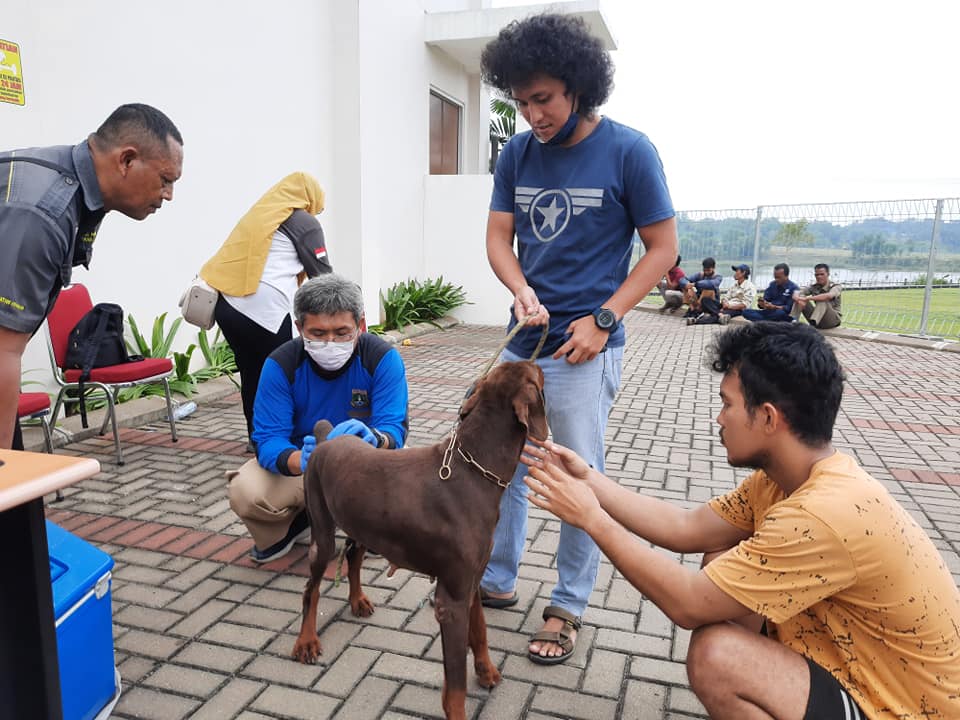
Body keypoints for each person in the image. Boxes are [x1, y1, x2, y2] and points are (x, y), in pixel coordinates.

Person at [522, 322, 960, 719]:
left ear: (768, 417)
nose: (719, 418)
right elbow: (686, 528)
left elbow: (688, 604)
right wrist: (590, 479)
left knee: (719, 656)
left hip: (897, 706)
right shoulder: (785, 479)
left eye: (727, 404)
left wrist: (591, 518)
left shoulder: (821, 514)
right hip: (853, 670)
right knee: (719, 557)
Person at [480, 12, 678, 664]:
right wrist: (519, 288)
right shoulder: (517, 153)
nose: (532, 114)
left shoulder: (629, 152)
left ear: (578, 87)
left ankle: (567, 604)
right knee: (504, 462)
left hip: (584, 348)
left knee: (574, 472)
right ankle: (497, 577)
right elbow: (499, 239)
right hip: (524, 340)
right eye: (521, 101)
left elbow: (662, 249)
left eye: (543, 99)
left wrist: (605, 319)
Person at [0, 103, 183, 451]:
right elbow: (2, 350)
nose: (169, 195)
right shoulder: (42, 214)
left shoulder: (80, 194)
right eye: (165, 180)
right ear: (126, 160)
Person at [226, 273, 408, 564]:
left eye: (342, 332)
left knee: (409, 474)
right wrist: (301, 459)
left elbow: (393, 428)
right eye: (318, 333)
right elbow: (268, 439)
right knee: (245, 490)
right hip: (303, 470)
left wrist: (375, 438)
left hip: (366, 463)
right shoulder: (281, 364)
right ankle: (295, 522)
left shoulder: (381, 359)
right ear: (299, 328)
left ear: (361, 325)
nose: (330, 342)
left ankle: (374, 526)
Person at [200, 172, 331, 452]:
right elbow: (322, 275)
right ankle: (283, 440)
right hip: (265, 310)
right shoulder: (305, 221)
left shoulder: (262, 215)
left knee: (252, 372)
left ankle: (256, 438)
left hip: (227, 306)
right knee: (283, 373)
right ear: (310, 197)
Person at [791, 263, 842, 329]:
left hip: (832, 320)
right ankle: (793, 321)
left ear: (828, 274)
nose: (819, 277)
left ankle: (813, 325)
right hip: (818, 319)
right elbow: (799, 291)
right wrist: (796, 296)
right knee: (801, 298)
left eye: (822, 274)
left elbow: (829, 296)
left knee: (822, 300)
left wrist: (808, 298)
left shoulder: (836, 286)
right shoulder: (815, 286)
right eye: (817, 275)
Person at [681, 257, 722, 324]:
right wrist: (687, 284)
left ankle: (697, 310)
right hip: (699, 300)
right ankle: (692, 309)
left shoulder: (718, 277)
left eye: (708, 270)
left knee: (708, 289)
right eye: (704, 270)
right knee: (686, 287)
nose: (706, 272)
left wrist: (695, 284)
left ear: (713, 268)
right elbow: (683, 279)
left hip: (711, 302)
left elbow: (711, 284)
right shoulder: (699, 275)